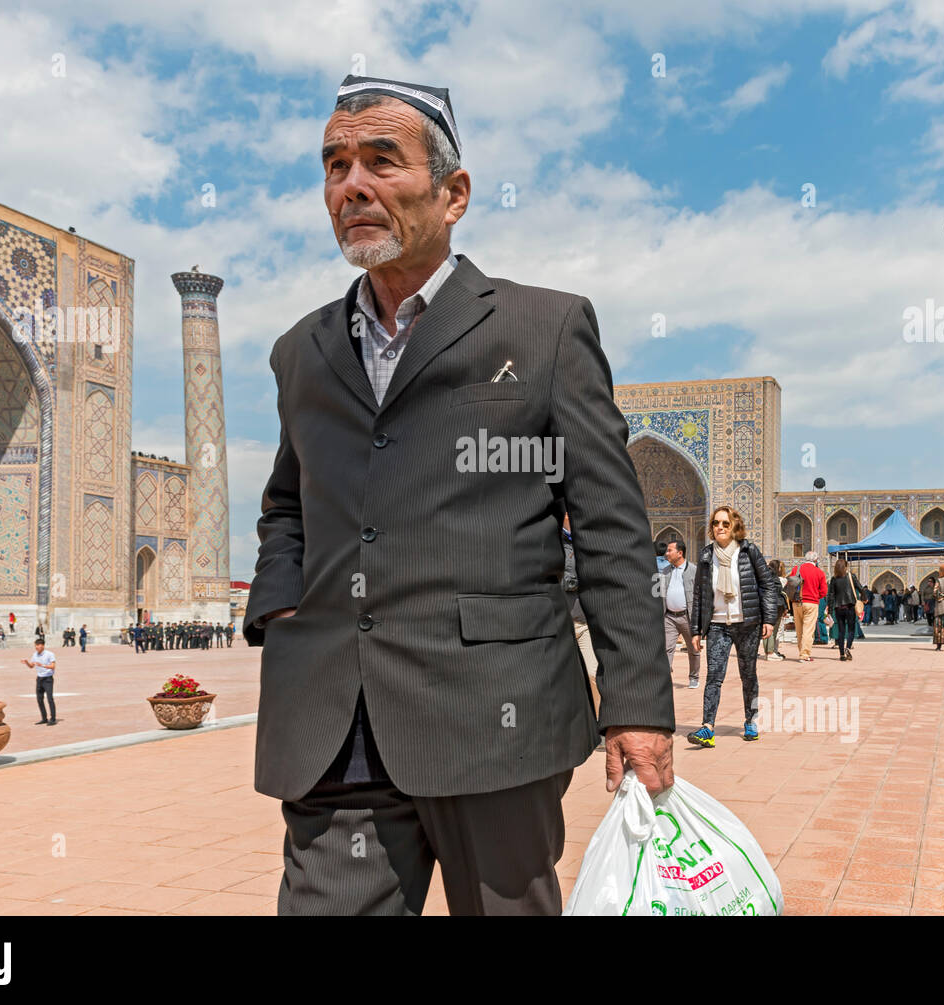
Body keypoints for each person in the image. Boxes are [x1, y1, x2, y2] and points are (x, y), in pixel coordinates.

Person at [242, 74, 674, 917]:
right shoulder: (303, 351)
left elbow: (611, 524)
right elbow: (287, 503)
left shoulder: (540, 329)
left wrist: (636, 706)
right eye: (335, 166)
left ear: (454, 193)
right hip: (338, 725)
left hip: (492, 717)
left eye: (380, 161)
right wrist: (281, 609)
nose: (352, 186)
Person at [687, 505, 778, 746]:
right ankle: (708, 727)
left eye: (725, 524)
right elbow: (699, 595)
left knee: (748, 675)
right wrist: (696, 629)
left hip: (747, 623)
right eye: (716, 523)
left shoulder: (748, 552)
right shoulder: (707, 555)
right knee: (714, 677)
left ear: (735, 526)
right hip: (718, 624)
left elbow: (767, 585)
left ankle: (750, 720)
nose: (720, 527)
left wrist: (769, 619)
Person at [560, 513, 599, 708]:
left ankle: (601, 724)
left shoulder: (587, 540)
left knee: (593, 672)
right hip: (560, 621)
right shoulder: (553, 541)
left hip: (583, 621)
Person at [659, 539, 699, 688]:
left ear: (680, 553)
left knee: (693, 649)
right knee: (666, 648)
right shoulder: (665, 571)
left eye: (670, 551)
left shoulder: (694, 570)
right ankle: (665, 677)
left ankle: (694, 677)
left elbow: (700, 595)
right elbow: (658, 593)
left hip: (687, 617)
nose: (666, 553)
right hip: (669, 617)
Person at [787, 551, 827, 662]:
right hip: (811, 603)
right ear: (815, 560)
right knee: (808, 630)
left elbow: (790, 584)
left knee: (799, 629)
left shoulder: (796, 569)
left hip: (797, 602)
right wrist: (815, 596)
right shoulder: (819, 572)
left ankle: (801, 651)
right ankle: (804, 655)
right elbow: (824, 591)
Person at [827, 559, 862, 661]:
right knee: (851, 629)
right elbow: (860, 588)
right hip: (850, 607)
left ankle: (842, 654)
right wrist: (864, 598)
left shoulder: (834, 579)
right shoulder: (851, 576)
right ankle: (847, 647)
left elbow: (831, 596)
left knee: (841, 631)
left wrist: (829, 611)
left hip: (838, 608)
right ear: (845, 567)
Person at [23, 639, 57, 725]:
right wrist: (26, 662)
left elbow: (53, 666)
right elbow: (31, 666)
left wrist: (42, 665)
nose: (36, 647)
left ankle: (53, 719)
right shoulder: (35, 655)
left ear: (42, 645)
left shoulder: (49, 654)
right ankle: (44, 718)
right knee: (39, 699)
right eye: (35, 645)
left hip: (48, 679)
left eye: (38, 645)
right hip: (39, 679)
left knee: (50, 699)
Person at [762, 559, 788, 662]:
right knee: (773, 629)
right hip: (776, 604)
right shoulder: (774, 576)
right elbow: (777, 590)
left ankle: (768, 652)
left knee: (766, 628)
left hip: (766, 604)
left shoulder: (763, 574)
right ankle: (771, 652)